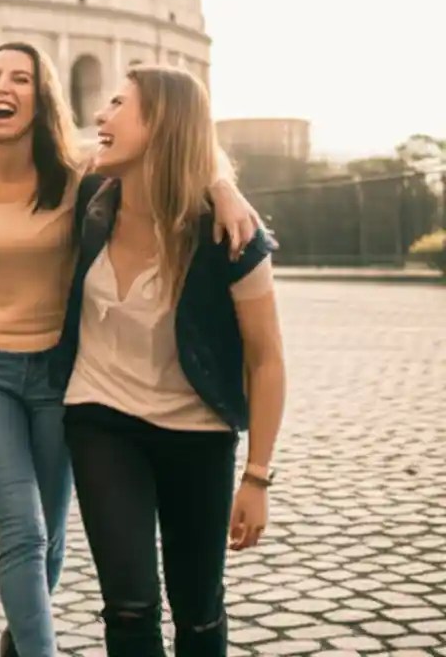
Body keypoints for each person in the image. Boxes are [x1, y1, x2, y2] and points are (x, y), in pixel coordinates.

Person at [0, 42, 260, 657]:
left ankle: (20, 636)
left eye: (21, 77)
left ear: (42, 95)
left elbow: (172, 148)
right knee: (22, 528)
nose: (3, 86)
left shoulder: (82, 169)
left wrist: (224, 186)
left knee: (49, 541)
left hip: (59, 370)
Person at [52, 64, 286, 657]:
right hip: (100, 416)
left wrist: (256, 476)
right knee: (128, 607)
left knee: (199, 611)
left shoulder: (230, 234)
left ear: (160, 124)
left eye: (117, 105)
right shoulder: (90, 197)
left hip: (197, 433)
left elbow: (266, 360)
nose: (100, 118)